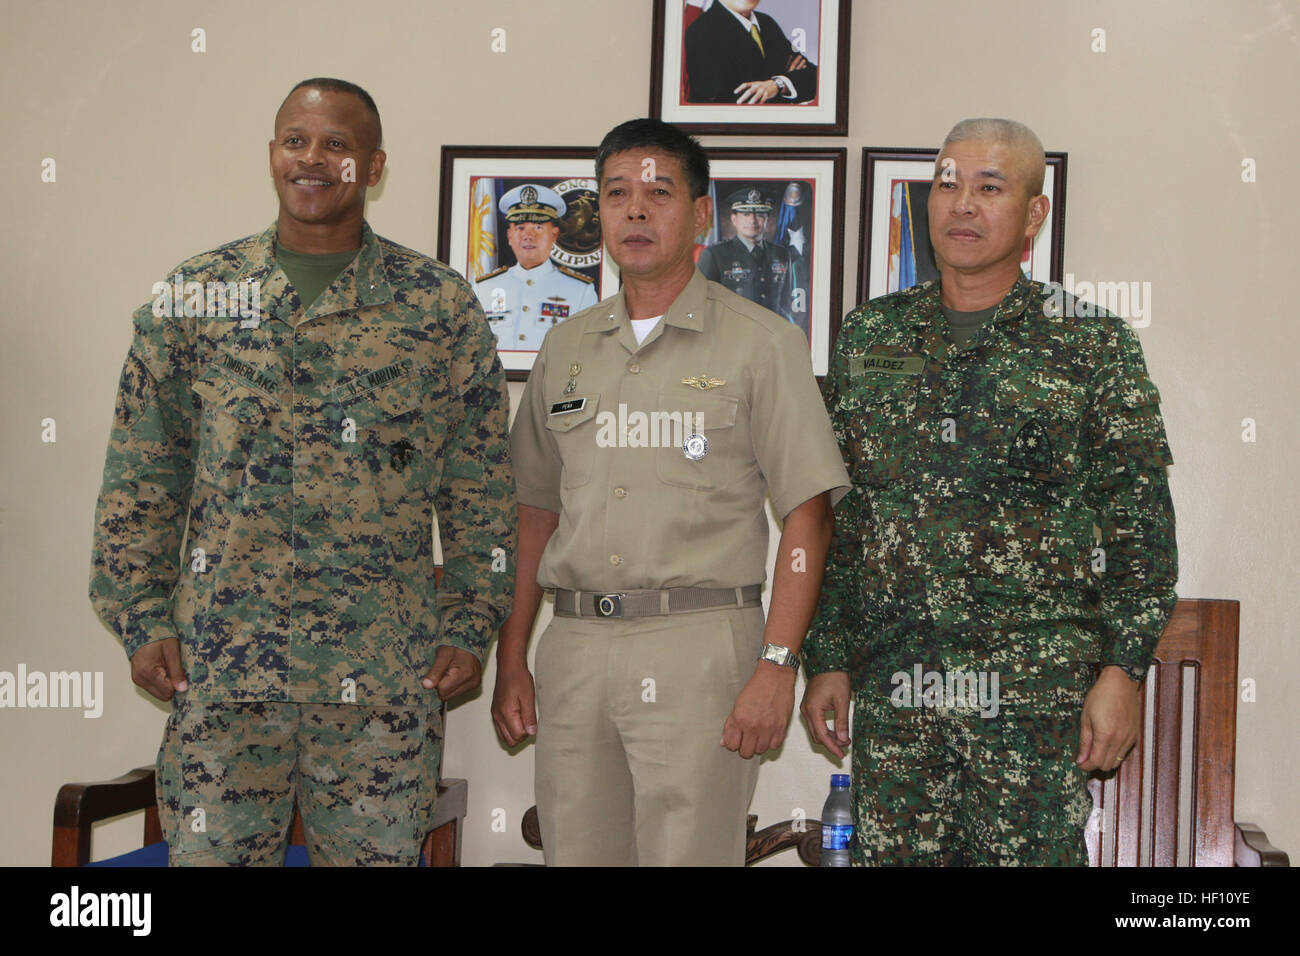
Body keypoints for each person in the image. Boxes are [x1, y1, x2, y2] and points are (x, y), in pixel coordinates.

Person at [89, 78, 515, 866]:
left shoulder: (438, 309)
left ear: (373, 166)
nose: (313, 159)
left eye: (337, 145)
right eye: (296, 140)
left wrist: (471, 619)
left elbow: (479, 487)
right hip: (221, 673)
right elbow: (143, 480)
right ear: (273, 154)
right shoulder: (196, 299)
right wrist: (140, 616)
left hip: (382, 683)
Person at [801, 117, 1178, 866]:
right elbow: (841, 514)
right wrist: (828, 656)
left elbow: (1138, 527)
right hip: (897, 683)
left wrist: (1123, 670)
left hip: (1031, 693)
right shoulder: (870, 339)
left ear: (1034, 213)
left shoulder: (1090, 342)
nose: (962, 204)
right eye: (948, 184)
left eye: (989, 187)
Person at [494, 118, 850, 866]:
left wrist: (777, 663)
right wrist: (515, 655)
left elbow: (808, 515)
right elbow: (534, 512)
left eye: (658, 193)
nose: (634, 210)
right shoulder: (566, 346)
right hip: (577, 644)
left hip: (700, 646)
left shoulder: (761, 343)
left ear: (699, 215)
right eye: (617, 193)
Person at [474, 184, 598, 351]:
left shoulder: (581, 290)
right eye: (520, 228)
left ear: (554, 234)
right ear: (509, 236)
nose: (528, 236)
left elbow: (587, 350)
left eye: (538, 227)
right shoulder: (483, 288)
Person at [684, 0, 817, 104]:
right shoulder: (701, 31)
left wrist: (777, 84)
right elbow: (720, 102)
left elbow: (814, 77)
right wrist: (786, 79)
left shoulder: (767, 23)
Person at [697, 186, 795, 324]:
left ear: (767, 220)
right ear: (734, 219)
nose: (752, 220)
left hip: (772, 337)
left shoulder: (781, 254)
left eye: (760, 214)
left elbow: (786, 303)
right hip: (732, 336)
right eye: (746, 214)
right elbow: (701, 304)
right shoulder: (715, 255)